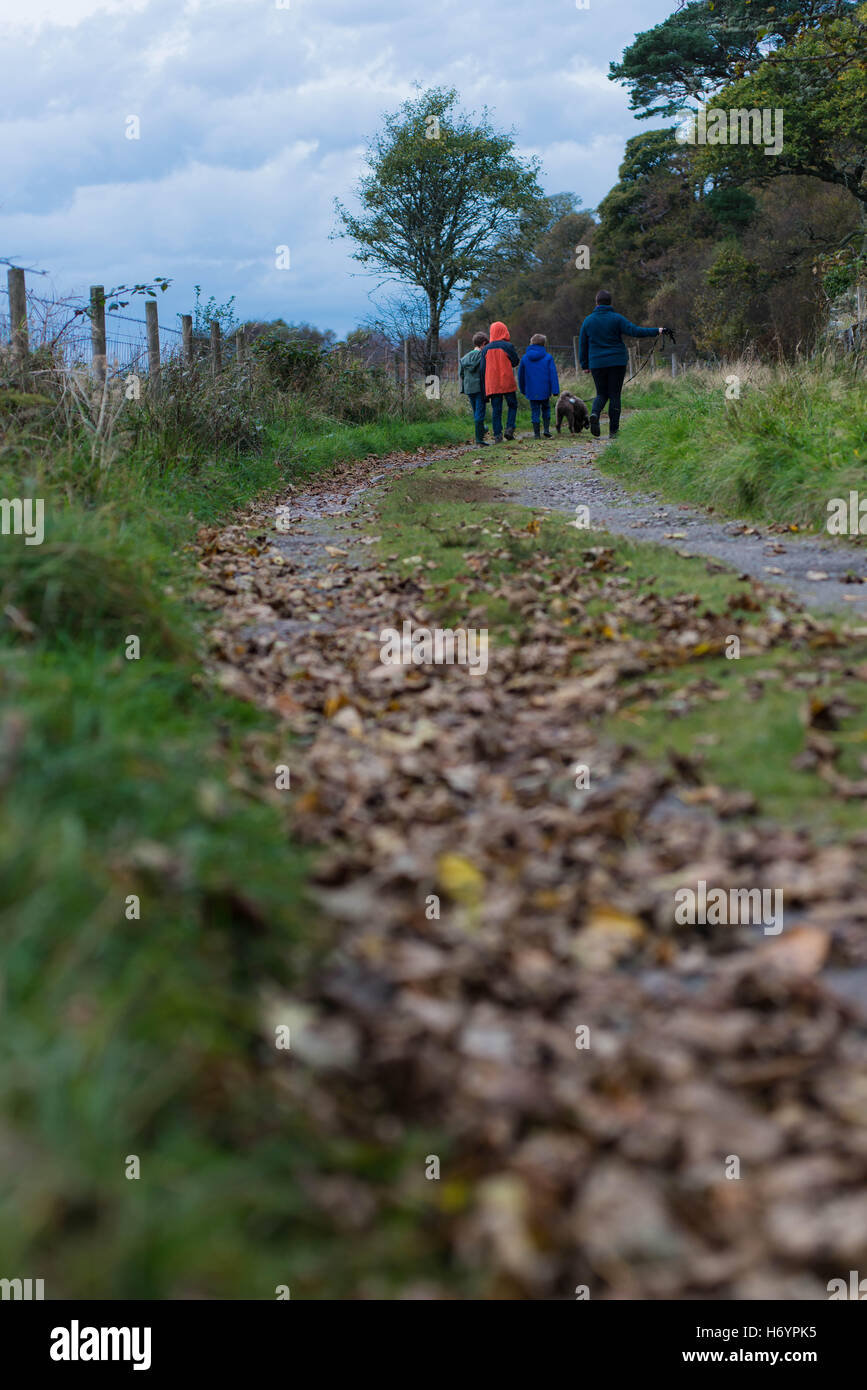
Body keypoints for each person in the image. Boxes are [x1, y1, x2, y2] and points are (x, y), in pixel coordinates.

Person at [578, 290, 664, 438]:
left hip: (597, 363)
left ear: (596, 302)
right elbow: (635, 331)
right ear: (610, 302)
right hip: (617, 361)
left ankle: (594, 414)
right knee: (615, 395)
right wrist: (657, 330)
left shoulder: (588, 321)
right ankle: (613, 431)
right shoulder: (617, 318)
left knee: (601, 393)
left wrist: (585, 365)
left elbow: (583, 344)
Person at [479, 321, 519, 443]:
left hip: (493, 383)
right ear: (504, 331)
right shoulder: (508, 346)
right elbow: (515, 362)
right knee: (513, 405)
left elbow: (482, 369)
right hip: (507, 381)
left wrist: (484, 390)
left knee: (496, 409)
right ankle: (510, 428)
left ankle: (497, 435)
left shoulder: (485, 349)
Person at [518, 333, 560, 439]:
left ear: (531, 343)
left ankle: (536, 434)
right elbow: (553, 375)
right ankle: (546, 430)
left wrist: (523, 389)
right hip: (545, 389)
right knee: (546, 408)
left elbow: (520, 376)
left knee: (535, 410)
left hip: (531, 390)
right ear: (544, 344)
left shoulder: (525, 358)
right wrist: (555, 390)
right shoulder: (548, 357)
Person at [459, 331, 489, 446]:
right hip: (479, 388)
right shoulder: (482, 356)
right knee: (480, 413)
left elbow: (461, 374)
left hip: (468, 388)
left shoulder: (464, 358)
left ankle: (482, 430)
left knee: (476, 412)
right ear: (483, 344)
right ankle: (479, 439)